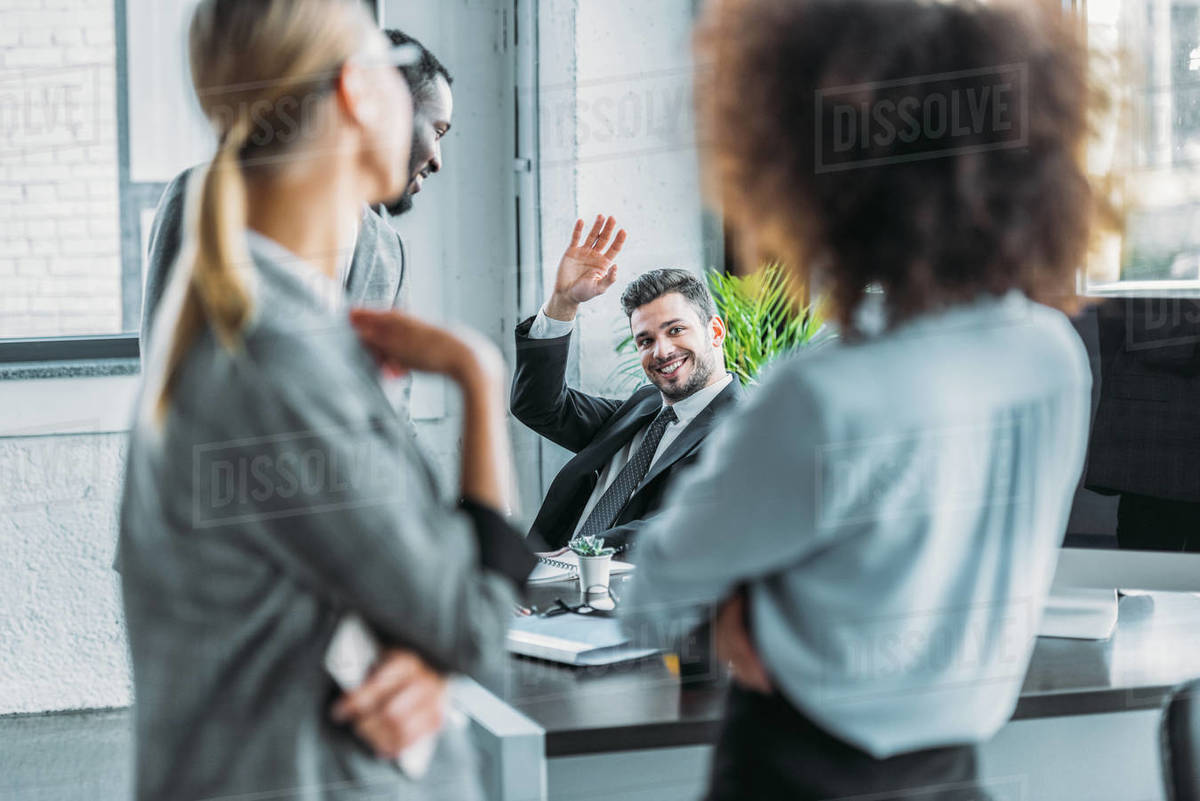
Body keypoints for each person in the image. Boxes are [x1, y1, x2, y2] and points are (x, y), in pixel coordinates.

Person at [622, 1, 1114, 799]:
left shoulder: (819, 391)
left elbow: (651, 592)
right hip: (956, 775)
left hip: (795, 770)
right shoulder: (1053, 356)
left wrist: (737, 606)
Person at [117, 3, 534, 800]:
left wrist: (413, 642)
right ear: (357, 90)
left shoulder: (273, 314)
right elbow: (474, 625)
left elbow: (353, 536)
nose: (431, 147)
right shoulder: (274, 347)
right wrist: (480, 379)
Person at [139, 28, 454, 346]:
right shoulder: (199, 198)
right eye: (437, 131)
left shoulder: (391, 251)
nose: (438, 161)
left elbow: (394, 392)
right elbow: (165, 360)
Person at [511, 216, 742, 552]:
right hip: (548, 582)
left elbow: (694, 521)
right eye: (645, 340)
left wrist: (584, 552)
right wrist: (564, 303)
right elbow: (538, 405)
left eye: (675, 330)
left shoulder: (746, 427)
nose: (661, 351)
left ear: (715, 332)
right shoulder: (642, 408)